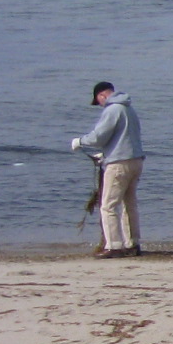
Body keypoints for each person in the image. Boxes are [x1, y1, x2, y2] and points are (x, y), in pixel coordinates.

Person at [71, 82, 145, 257]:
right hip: (135, 160)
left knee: (108, 206)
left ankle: (114, 246)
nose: (100, 105)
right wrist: (105, 154)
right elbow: (123, 138)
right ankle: (132, 244)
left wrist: (80, 141)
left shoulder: (113, 110)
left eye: (98, 101)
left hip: (118, 163)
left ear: (102, 95)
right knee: (129, 204)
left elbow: (99, 137)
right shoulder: (129, 109)